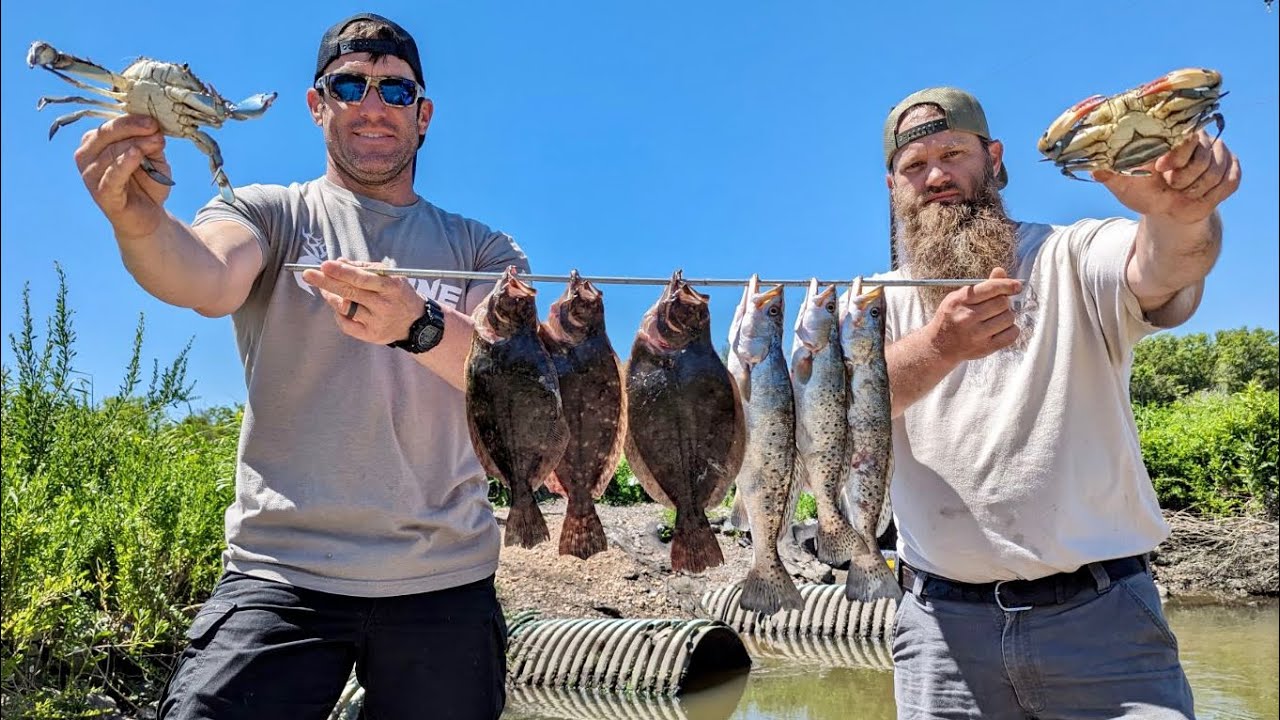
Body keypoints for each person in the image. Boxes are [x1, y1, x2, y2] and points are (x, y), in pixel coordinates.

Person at [69, 12, 528, 720]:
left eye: (395, 91)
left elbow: (516, 383)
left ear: (424, 114)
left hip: (444, 579)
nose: (373, 104)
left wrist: (419, 326)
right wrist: (137, 221)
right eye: (349, 84)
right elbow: (206, 275)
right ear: (318, 106)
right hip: (280, 574)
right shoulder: (268, 211)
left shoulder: (481, 249)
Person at [877, 86, 1240, 719]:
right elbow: (845, 413)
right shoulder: (873, 303)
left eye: (953, 153)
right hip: (941, 637)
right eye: (914, 166)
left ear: (993, 158)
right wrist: (938, 347)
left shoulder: (1070, 253)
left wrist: (1180, 213)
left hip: (1102, 627)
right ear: (893, 187)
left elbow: (1167, 267)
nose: (936, 176)